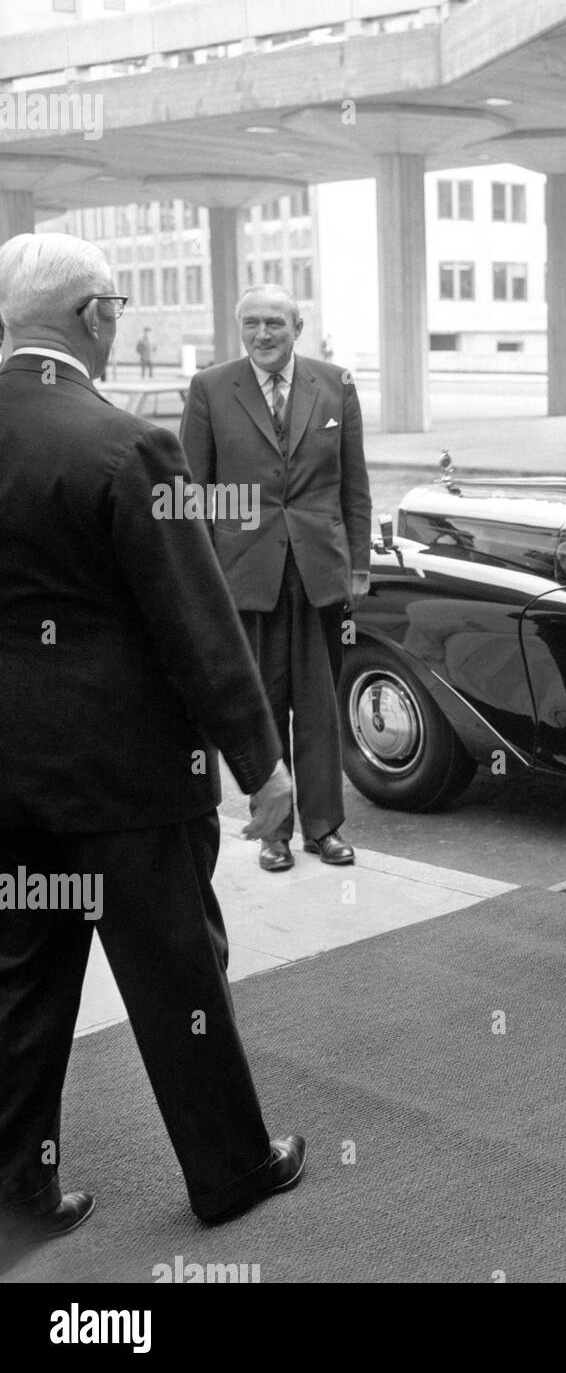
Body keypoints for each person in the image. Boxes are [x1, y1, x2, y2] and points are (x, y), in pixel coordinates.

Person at [0, 233, 305, 1260]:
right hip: (126, 781)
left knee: (23, 984)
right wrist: (261, 764)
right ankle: (230, 1169)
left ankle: (17, 1192)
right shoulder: (126, 446)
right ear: (94, 316)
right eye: (118, 305)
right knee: (178, 977)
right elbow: (197, 626)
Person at [180, 286, 371, 873]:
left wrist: (359, 565)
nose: (262, 335)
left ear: (298, 326)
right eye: (251, 324)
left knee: (319, 707)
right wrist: (203, 575)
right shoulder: (211, 388)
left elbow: (354, 485)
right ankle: (272, 831)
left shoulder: (334, 383)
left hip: (319, 572)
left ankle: (324, 828)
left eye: (274, 324)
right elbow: (194, 493)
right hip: (246, 572)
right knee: (261, 706)